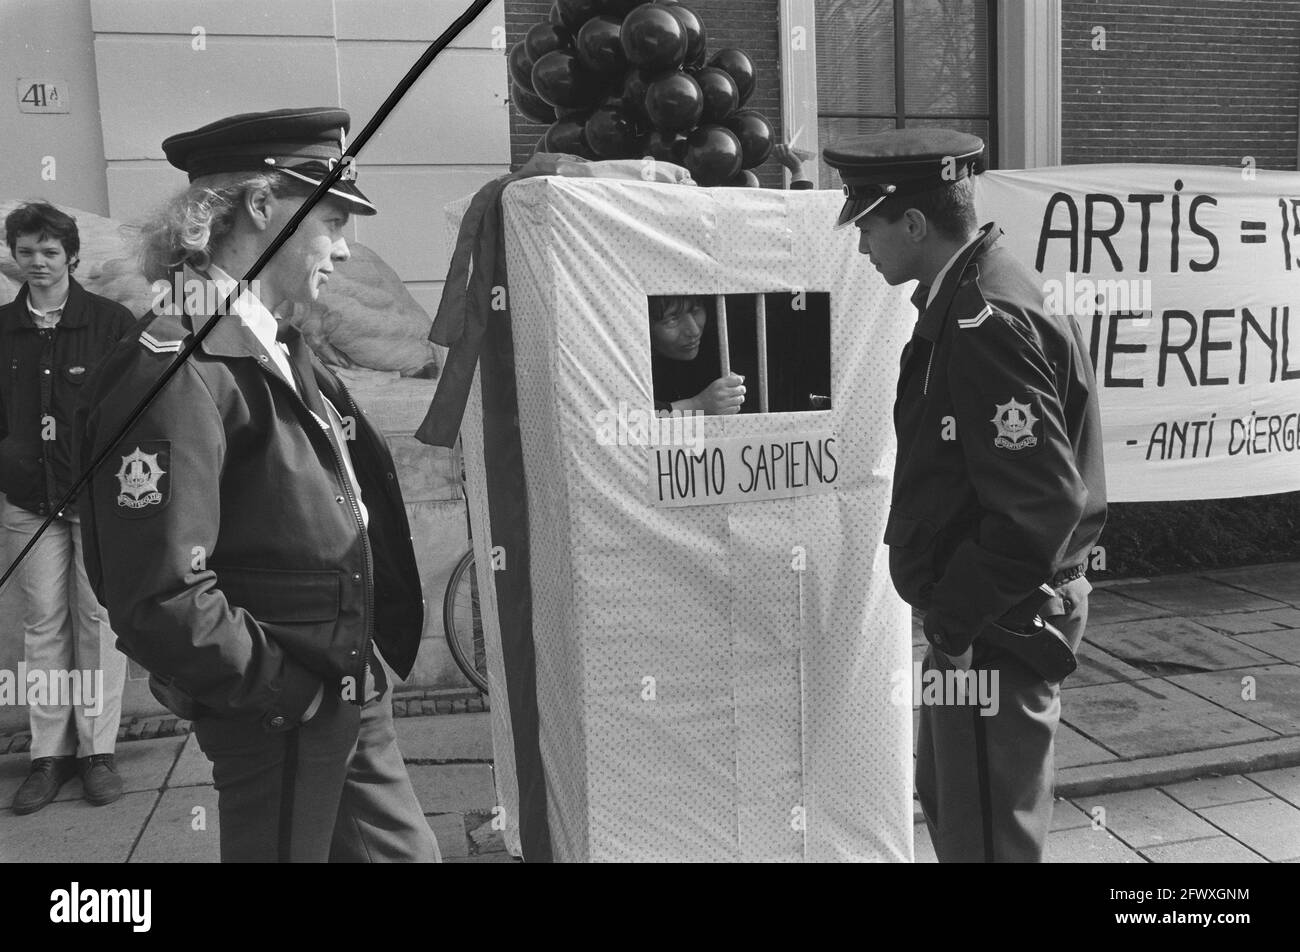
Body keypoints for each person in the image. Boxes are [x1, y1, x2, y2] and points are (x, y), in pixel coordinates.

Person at [78, 107, 439, 862]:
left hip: (346, 677)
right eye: (333, 221)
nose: (342, 249)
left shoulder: (277, 339)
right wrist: (284, 692)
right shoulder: (175, 362)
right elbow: (158, 591)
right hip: (285, 703)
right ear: (263, 207)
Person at [823, 129, 1107, 862]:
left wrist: (952, 621)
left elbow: (1040, 506)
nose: (862, 249)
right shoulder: (969, 293)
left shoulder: (985, 317)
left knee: (985, 833)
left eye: (868, 227)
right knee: (959, 807)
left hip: (994, 624)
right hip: (985, 617)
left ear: (914, 223)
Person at [0, 202, 134, 815]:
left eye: (50, 252)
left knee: (97, 623)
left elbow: (134, 410)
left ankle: (97, 753)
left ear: (71, 257)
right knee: (43, 624)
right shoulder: (2, 328)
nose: (38, 262)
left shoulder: (108, 323)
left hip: (96, 499)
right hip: (28, 500)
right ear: (14, 257)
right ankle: (48, 755)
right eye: (26, 251)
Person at [649, 294, 745, 415]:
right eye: (672, 320)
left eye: (695, 311)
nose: (694, 331)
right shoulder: (625, 361)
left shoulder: (720, 346)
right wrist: (697, 406)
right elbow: (627, 417)